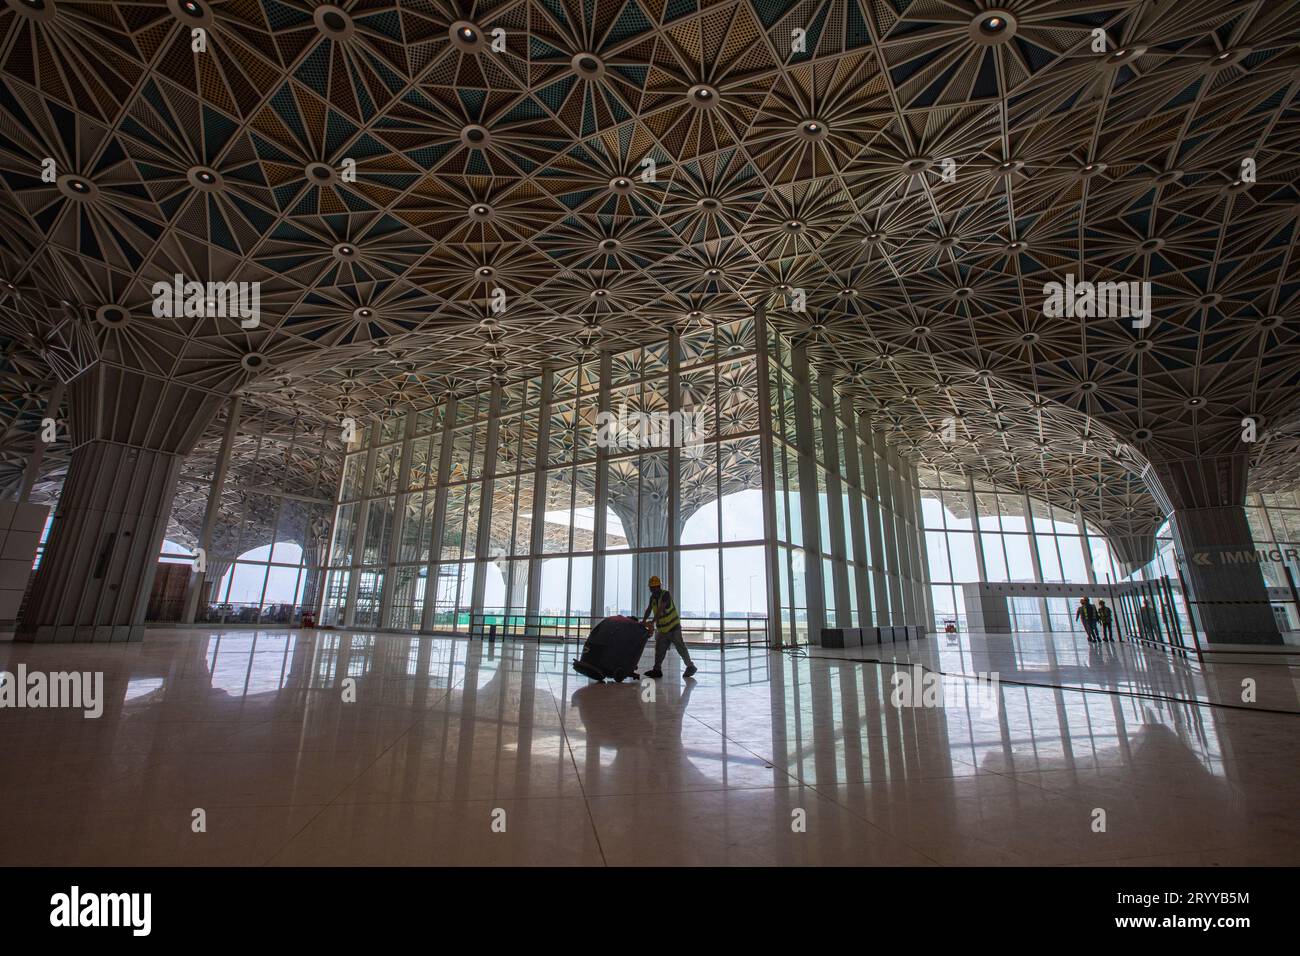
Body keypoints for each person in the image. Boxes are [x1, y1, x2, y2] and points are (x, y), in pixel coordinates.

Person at [641, 575, 696, 679]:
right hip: (662, 630)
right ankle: (657, 670)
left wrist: (652, 622)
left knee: (680, 648)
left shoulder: (665, 594)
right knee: (659, 650)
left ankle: (690, 666)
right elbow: (649, 609)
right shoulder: (652, 598)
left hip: (673, 628)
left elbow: (661, 608)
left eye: (654, 587)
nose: (652, 590)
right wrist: (643, 621)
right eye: (651, 588)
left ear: (659, 586)